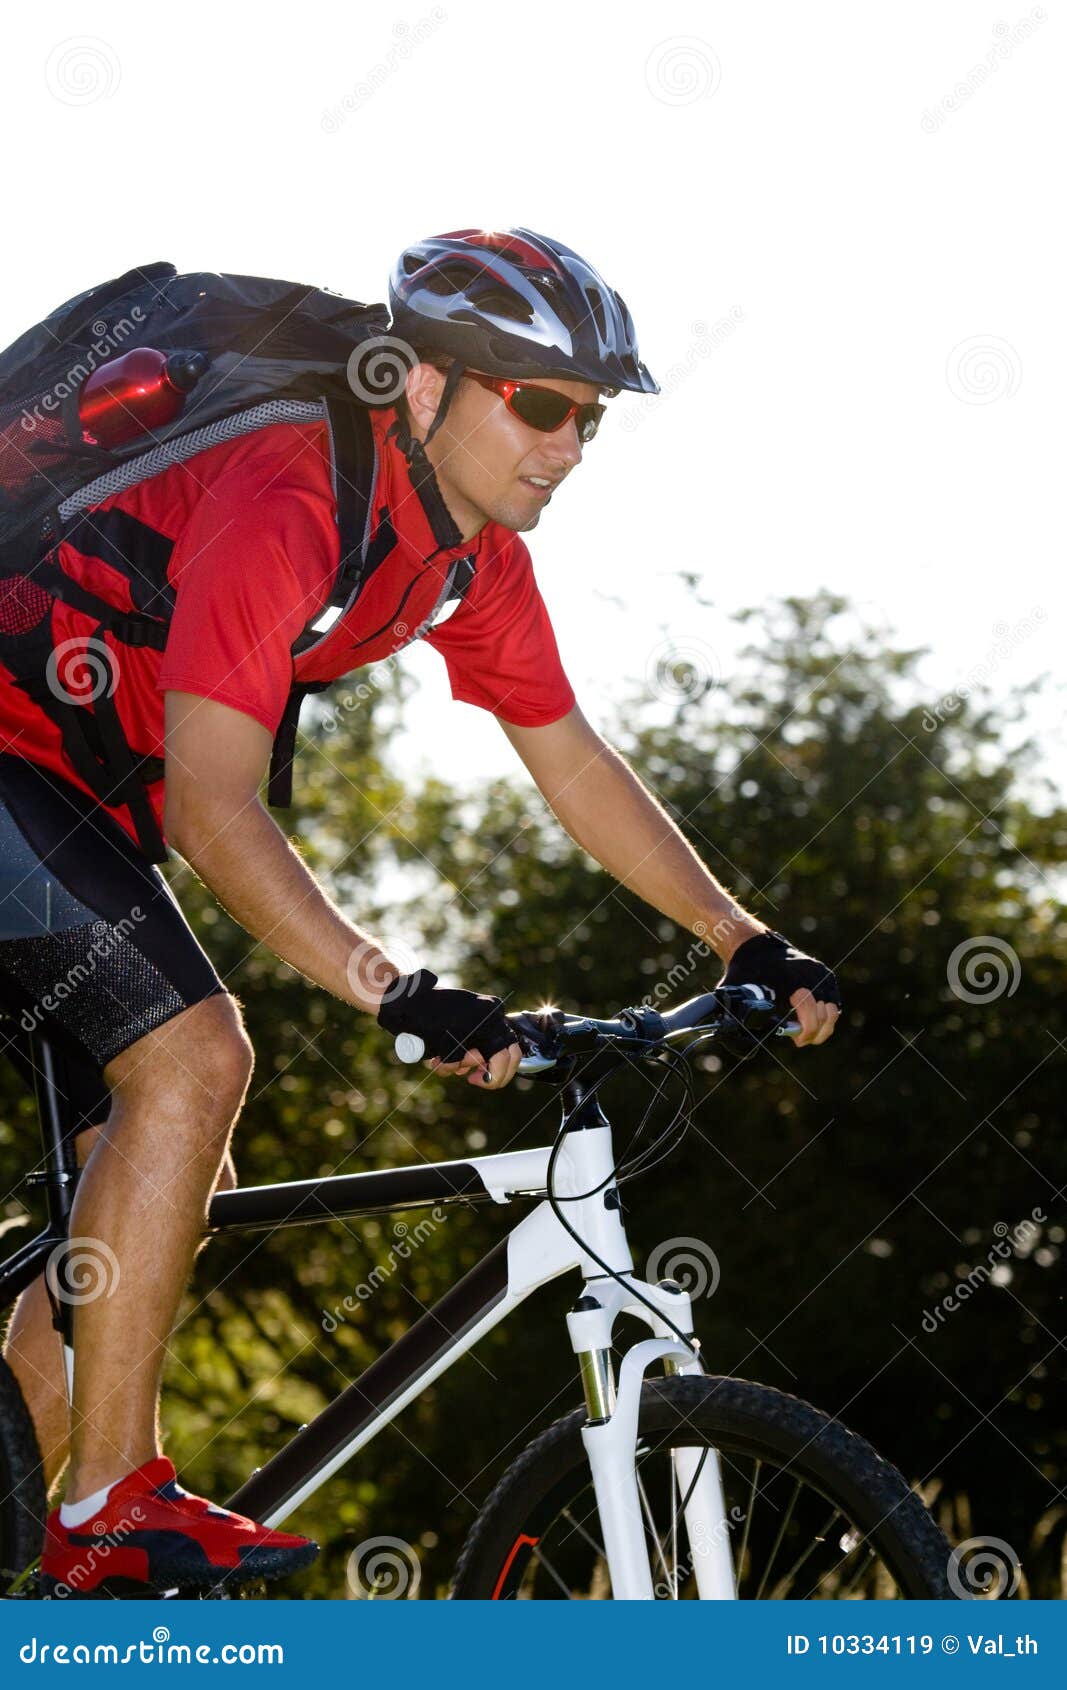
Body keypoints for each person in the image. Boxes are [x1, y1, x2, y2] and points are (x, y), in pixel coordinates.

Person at [0, 228, 840, 1596]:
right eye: (544, 404)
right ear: (430, 383)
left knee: (146, 1168)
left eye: (592, 418)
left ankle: (56, 1575)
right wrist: (397, 987)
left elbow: (571, 760)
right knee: (198, 1058)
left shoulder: (465, 557)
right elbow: (215, 809)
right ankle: (108, 1509)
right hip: (12, 751)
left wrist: (741, 934)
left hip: (71, 794)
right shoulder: (289, 487)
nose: (570, 445)